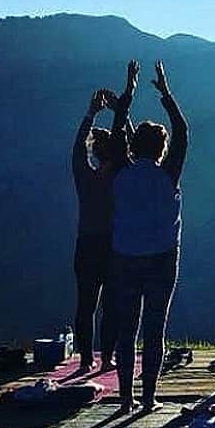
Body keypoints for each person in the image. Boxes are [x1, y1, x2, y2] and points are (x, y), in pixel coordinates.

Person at [109, 60, 189, 413]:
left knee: (127, 328)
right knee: (154, 327)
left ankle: (125, 397)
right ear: (161, 149)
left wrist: (128, 94)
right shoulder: (168, 175)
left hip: (123, 256)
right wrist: (166, 95)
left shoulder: (120, 172)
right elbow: (183, 132)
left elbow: (115, 138)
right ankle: (148, 398)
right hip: (161, 258)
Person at [72, 89, 124, 372]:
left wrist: (91, 113)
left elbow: (77, 148)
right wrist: (120, 112)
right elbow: (132, 150)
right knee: (111, 305)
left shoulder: (84, 176)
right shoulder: (119, 176)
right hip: (113, 245)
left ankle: (85, 359)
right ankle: (106, 357)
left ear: (94, 152)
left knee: (86, 304)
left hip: (87, 244)